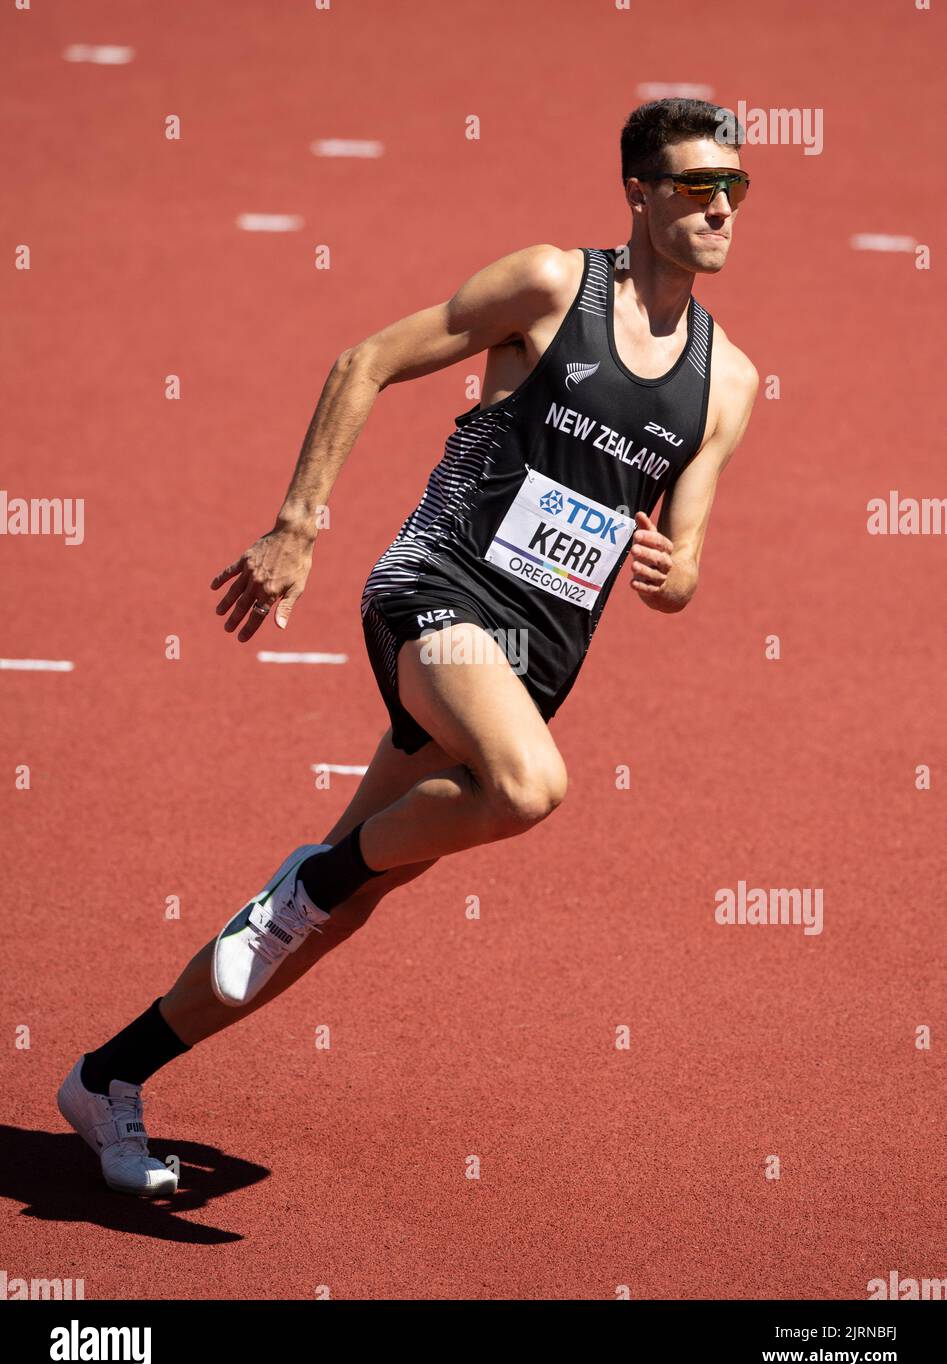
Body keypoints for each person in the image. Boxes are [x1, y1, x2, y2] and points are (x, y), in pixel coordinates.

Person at [58, 98, 759, 1196]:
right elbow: (364, 362)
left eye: (733, 187)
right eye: (692, 184)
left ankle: (110, 1075)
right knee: (527, 789)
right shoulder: (547, 285)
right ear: (636, 190)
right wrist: (298, 523)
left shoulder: (728, 382)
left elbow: (684, 555)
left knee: (326, 921)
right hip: (433, 587)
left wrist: (680, 579)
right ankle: (316, 874)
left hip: (536, 657)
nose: (717, 205)